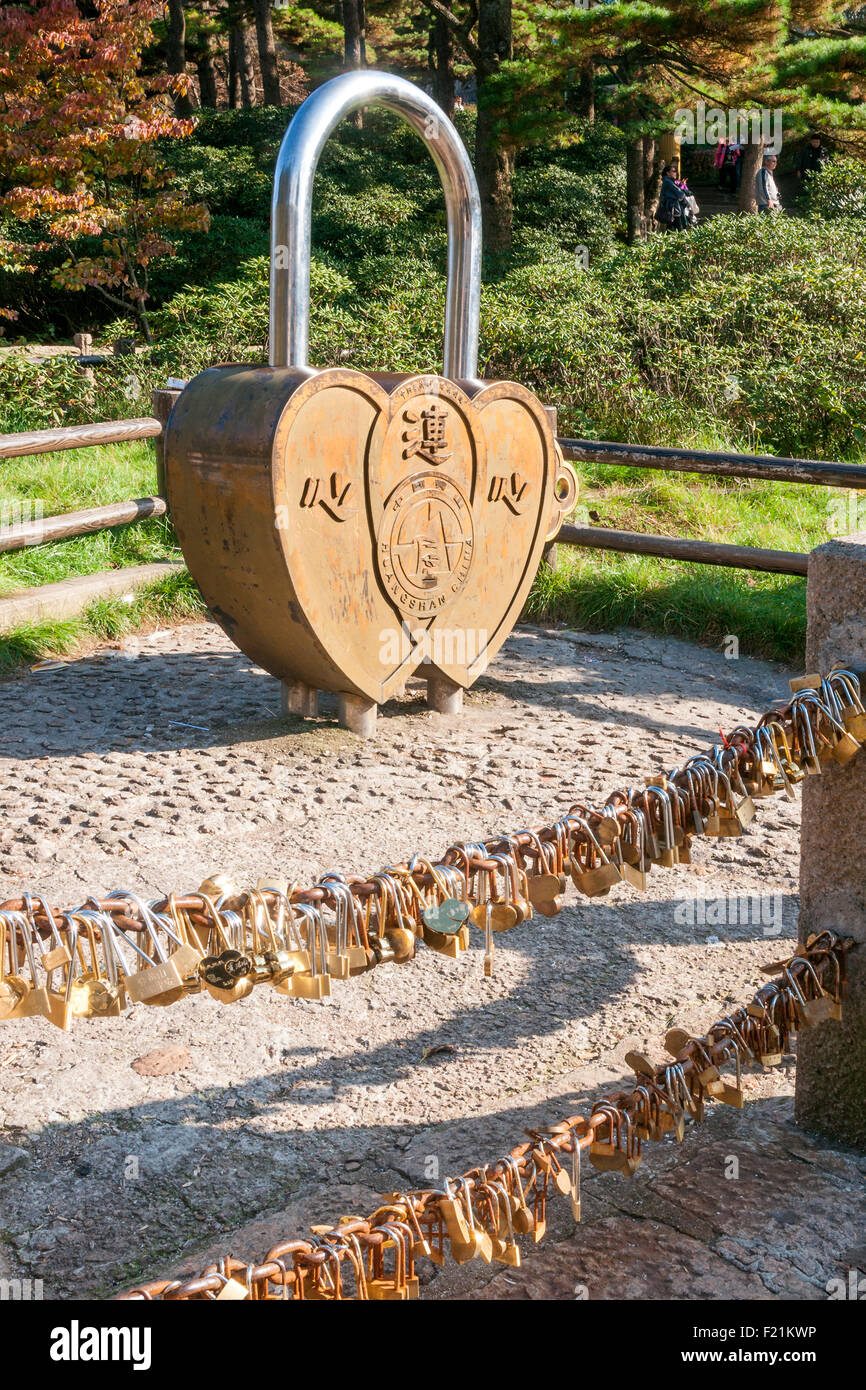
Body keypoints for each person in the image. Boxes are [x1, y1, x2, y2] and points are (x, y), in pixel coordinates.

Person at [656, 163, 690, 230]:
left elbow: (674, 191)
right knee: (677, 229)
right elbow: (680, 193)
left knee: (673, 228)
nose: (676, 173)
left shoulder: (668, 181)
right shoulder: (668, 181)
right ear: (668, 173)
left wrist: (680, 185)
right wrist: (687, 192)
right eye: (673, 171)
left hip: (671, 209)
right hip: (672, 209)